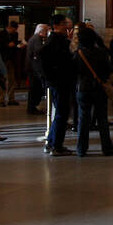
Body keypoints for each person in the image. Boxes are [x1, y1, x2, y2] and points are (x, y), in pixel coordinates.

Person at [70, 25, 113, 157]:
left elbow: (73, 72)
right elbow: (108, 70)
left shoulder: (77, 54)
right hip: (99, 88)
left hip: (83, 88)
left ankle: (81, 149)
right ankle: (107, 148)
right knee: (102, 119)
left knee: (83, 119)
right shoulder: (102, 53)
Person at [40, 16, 76, 155]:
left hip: (58, 81)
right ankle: (56, 146)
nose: (66, 27)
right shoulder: (56, 41)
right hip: (60, 82)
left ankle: (51, 142)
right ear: (56, 26)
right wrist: (51, 77)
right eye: (64, 24)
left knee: (61, 113)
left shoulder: (56, 40)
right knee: (62, 113)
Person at [25, 23, 50, 115]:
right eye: (46, 31)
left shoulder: (34, 38)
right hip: (34, 69)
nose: (47, 33)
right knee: (35, 89)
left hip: (33, 68)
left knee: (34, 89)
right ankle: (32, 107)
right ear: (41, 31)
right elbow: (39, 50)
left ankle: (32, 107)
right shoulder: (36, 39)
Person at [0, 20, 21, 105]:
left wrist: (16, 45)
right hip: (3, 59)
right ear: (9, 27)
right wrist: (7, 45)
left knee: (11, 80)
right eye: (14, 29)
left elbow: (15, 44)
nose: (15, 31)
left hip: (11, 59)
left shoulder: (15, 34)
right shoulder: (1, 35)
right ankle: (1, 100)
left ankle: (11, 99)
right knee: (2, 80)